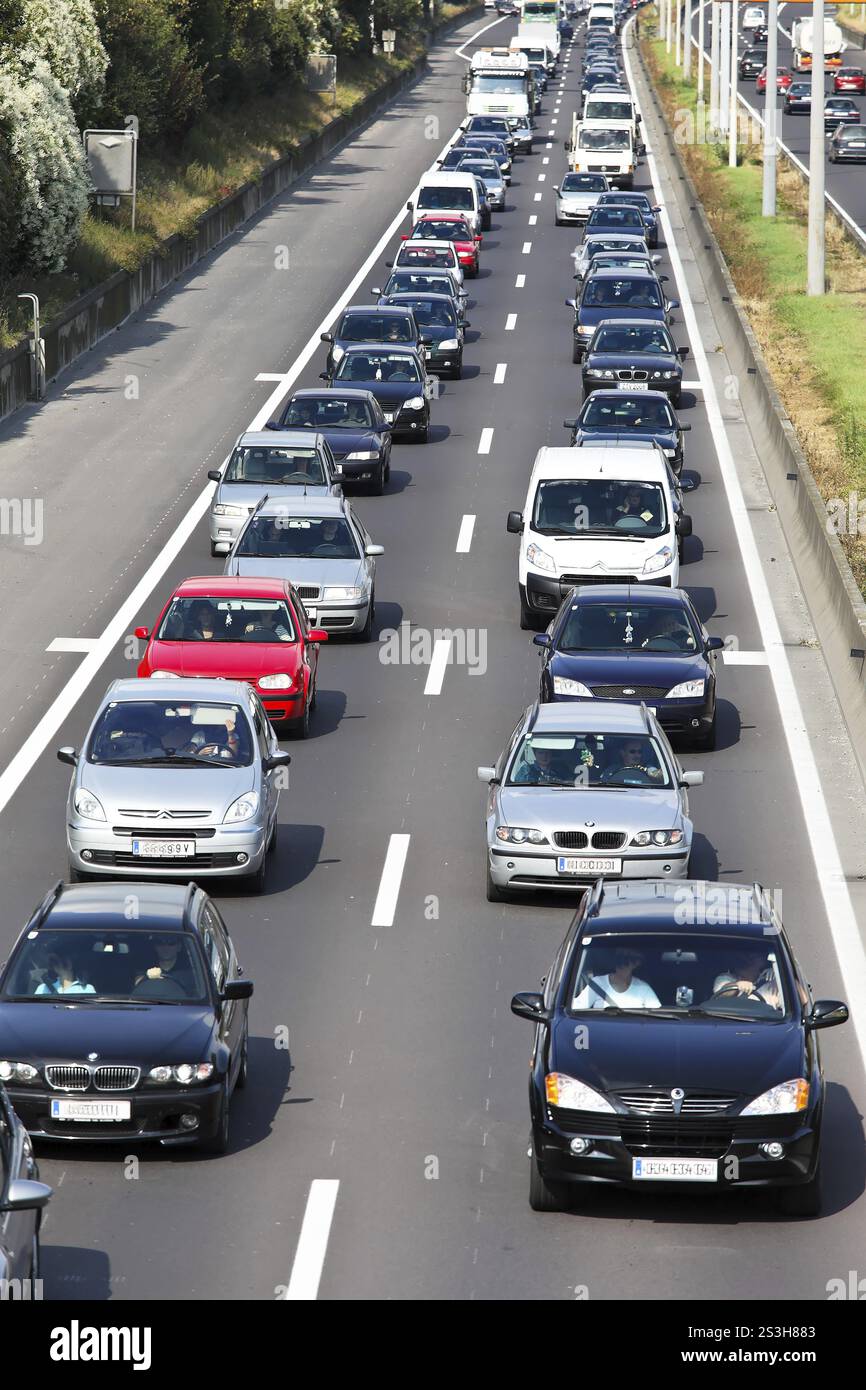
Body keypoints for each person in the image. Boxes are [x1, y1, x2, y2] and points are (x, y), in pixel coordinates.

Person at [573, 947, 661, 1010]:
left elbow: (658, 1017)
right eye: (620, 958)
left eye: (628, 959)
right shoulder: (597, 983)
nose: (623, 963)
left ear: (637, 963)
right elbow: (575, 1010)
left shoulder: (643, 988)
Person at [711, 950, 782, 1009]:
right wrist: (737, 985)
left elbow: (787, 1007)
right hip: (729, 1021)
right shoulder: (724, 978)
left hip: (764, 1023)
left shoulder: (771, 982)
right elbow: (722, 996)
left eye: (756, 957)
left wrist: (778, 976)